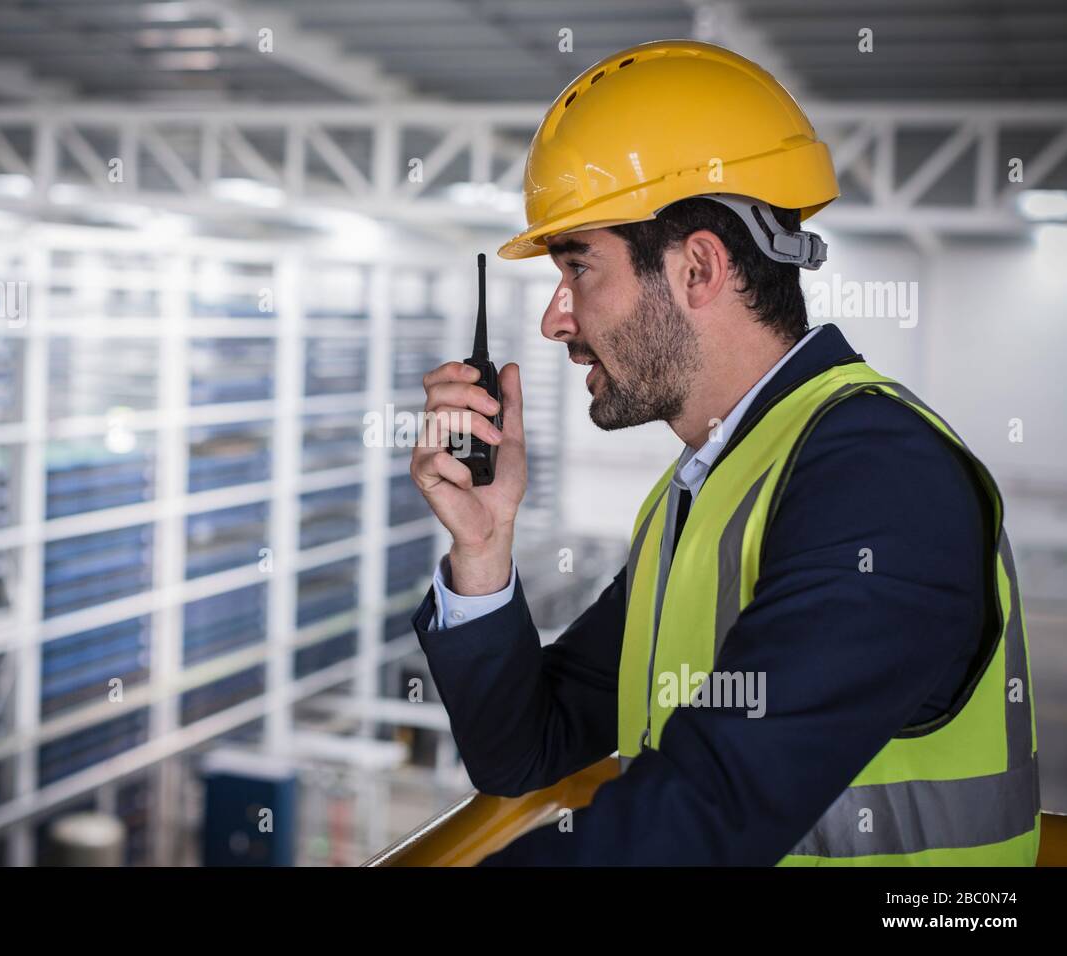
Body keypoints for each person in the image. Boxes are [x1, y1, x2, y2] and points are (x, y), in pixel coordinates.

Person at [407, 39, 1039, 865]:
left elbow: (707, 815)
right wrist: (483, 550)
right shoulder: (708, 491)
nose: (557, 320)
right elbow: (525, 751)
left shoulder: (883, 478)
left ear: (697, 267)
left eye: (579, 268)